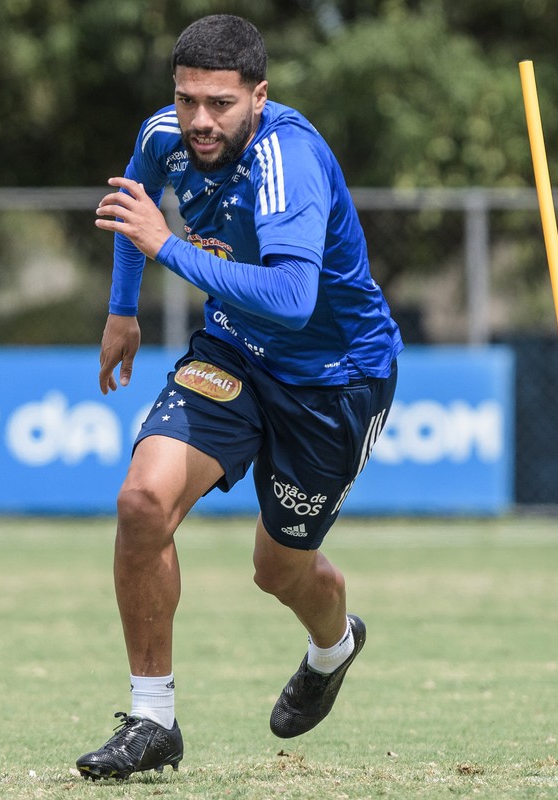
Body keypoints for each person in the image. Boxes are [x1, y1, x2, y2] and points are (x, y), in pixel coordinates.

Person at [76, 14, 403, 781]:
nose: (198, 120)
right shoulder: (165, 134)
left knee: (279, 571)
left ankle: (334, 645)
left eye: (219, 104)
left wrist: (169, 248)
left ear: (259, 95)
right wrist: (123, 312)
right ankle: (152, 717)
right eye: (188, 99)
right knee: (141, 504)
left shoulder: (289, 159)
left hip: (334, 381)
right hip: (233, 354)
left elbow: (292, 296)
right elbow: (136, 213)